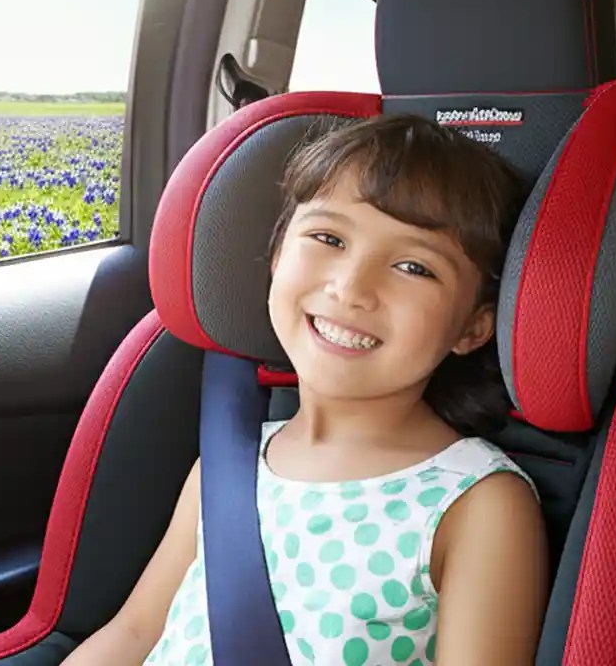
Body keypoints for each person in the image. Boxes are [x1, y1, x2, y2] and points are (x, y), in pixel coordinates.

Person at [61, 113, 549, 665]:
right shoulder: (227, 467)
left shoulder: (474, 504)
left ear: (473, 327)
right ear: (276, 257)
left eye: (414, 266)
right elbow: (133, 634)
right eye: (328, 237)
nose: (351, 288)